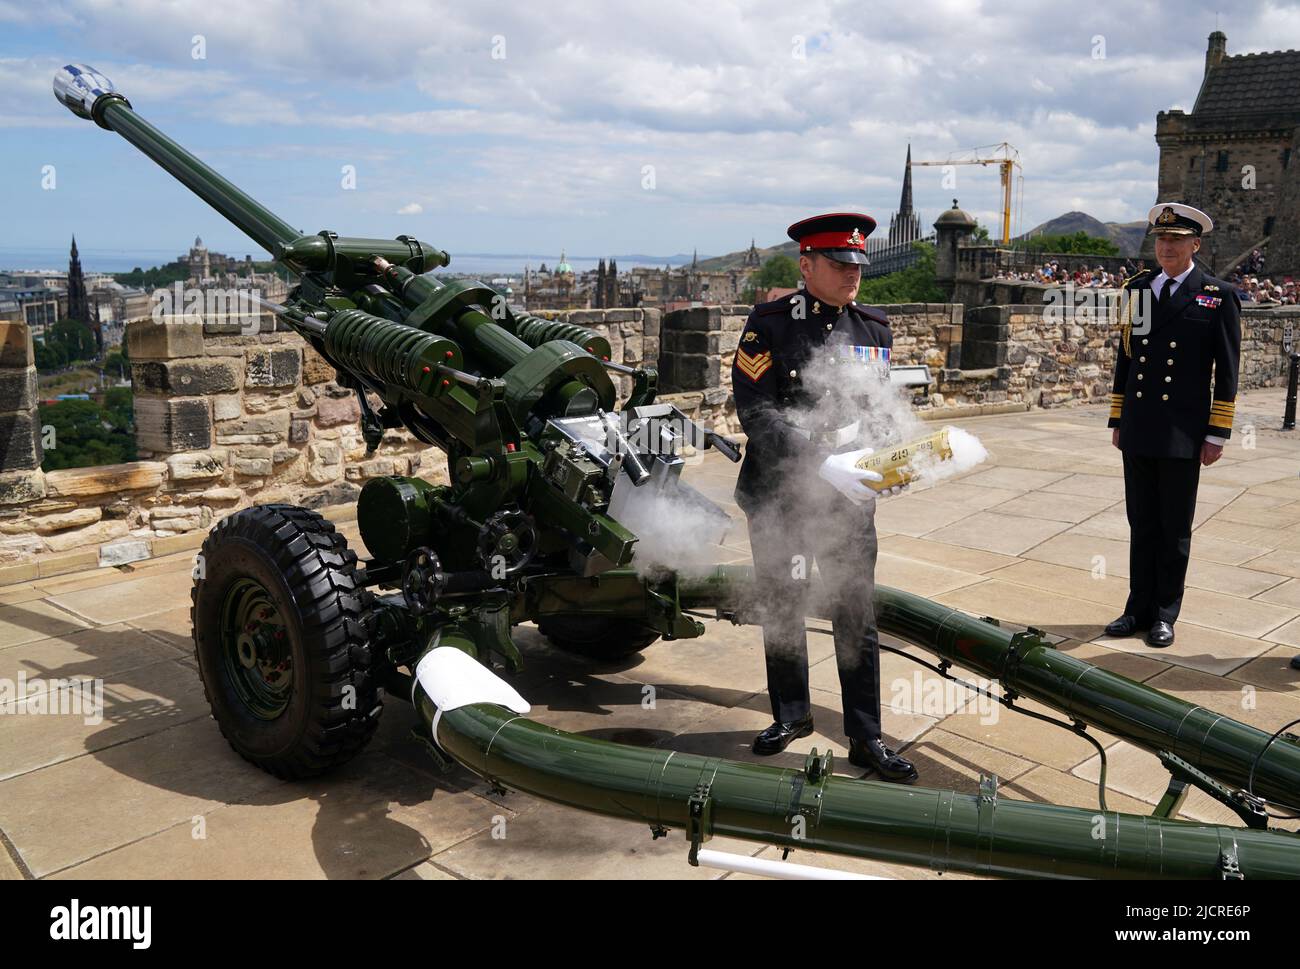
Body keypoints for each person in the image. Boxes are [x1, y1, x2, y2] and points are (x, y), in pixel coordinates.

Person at [730, 212, 917, 782]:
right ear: (806, 265)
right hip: (782, 497)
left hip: (848, 505)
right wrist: (819, 457)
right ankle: (790, 714)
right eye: (839, 265)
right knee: (783, 604)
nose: (852, 275)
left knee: (855, 616)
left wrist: (894, 459)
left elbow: (880, 414)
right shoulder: (768, 325)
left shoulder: (873, 330)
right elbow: (755, 411)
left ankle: (866, 735)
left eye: (857, 265)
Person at [1104, 202, 1240, 648]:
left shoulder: (1216, 295)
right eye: (1161, 240)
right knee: (1141, 521)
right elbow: (1126, 358)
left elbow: (1227, 369)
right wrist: (1118, 417)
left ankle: (1165, 613)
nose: (1166, 247)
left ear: (1194, 245)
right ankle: (1135, 608)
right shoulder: (1139, 290)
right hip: (1141, 425)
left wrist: (1217, 432)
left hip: (1183, 430)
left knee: (1174, 527)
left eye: (1176, 241)